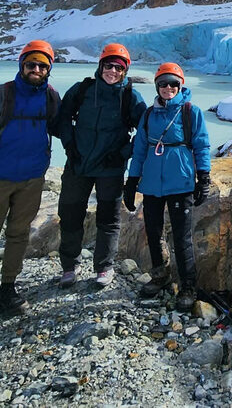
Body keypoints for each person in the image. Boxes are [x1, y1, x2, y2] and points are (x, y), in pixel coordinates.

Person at [57, 43, 146, 288]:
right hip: (78, 164)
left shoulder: (130, 96)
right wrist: (69, 145)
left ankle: (104, 267)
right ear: (101, 65)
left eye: (119, 67)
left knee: (108, 219)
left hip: (111, 168)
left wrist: (123, 154)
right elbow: (62, 118)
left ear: (125, 71)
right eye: (109, 65)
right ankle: (69, 266)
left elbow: (147, 130)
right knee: (70, 214)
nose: (113, 71)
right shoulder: (82, 89)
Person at [123, 62, 211, 311]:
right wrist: (132, 181)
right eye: (163, 83)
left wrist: (203, 177)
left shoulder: (190, 111)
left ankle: (187, 286)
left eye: (173, 83)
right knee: (153, 231)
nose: (168, 87)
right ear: (157, 86)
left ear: (180, 85)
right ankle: (160, 275)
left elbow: (202, 144)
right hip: (151, 183)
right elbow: (139, 148)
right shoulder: (149, 114)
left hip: (180, 182)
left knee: (182, 238)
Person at [0, 40, 60, 315]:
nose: (36, 69)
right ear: (22, 65)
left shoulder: (50, 97)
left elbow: (62, 128)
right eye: (31, 64)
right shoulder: (4, 94)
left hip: (33, 179)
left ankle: (8, 286)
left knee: (18, 234)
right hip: (1, 177)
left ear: (49, 69)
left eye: (42, 65)